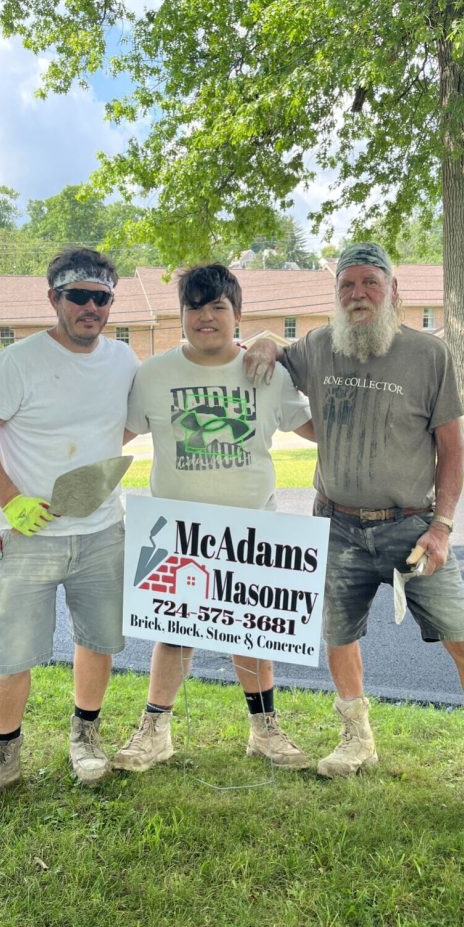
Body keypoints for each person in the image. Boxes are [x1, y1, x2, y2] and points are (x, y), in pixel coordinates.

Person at [243, 242, 464, 834]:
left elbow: (452, 448)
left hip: (412, 528)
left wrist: (443, 526)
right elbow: (276, 356)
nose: (357, 294)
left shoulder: (428, 355)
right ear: (335, 296)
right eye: (346, 286)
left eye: (369, 283)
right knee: (338, 634)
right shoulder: (317, 346)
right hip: (333, 523)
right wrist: (264, 338)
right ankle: (356, 738)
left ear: (394, 291)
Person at [0, 246, 138, 812]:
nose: (90, 307)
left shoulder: (125, 361)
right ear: (54, 297)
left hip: (104, 532)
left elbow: (123, 428)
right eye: (78, 295)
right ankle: (4, 758)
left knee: (97, 639)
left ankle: (85, 736)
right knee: (11, 653)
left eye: (101, 297)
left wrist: (92, 470)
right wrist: (11, 501)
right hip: (28, 537)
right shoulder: (18, 362)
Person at [113, 263, 315, 773]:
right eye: (195, 307)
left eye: (218, 307)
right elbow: (115, 436)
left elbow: (318, 426)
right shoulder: (154, 374)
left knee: (254, 632)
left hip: (252, 532)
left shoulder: (267, 373)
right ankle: (154, 731)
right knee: (175, 633)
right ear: (180, 315)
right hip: (178, 530)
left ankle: (264, 731)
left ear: (238, 314)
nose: (206, 317)